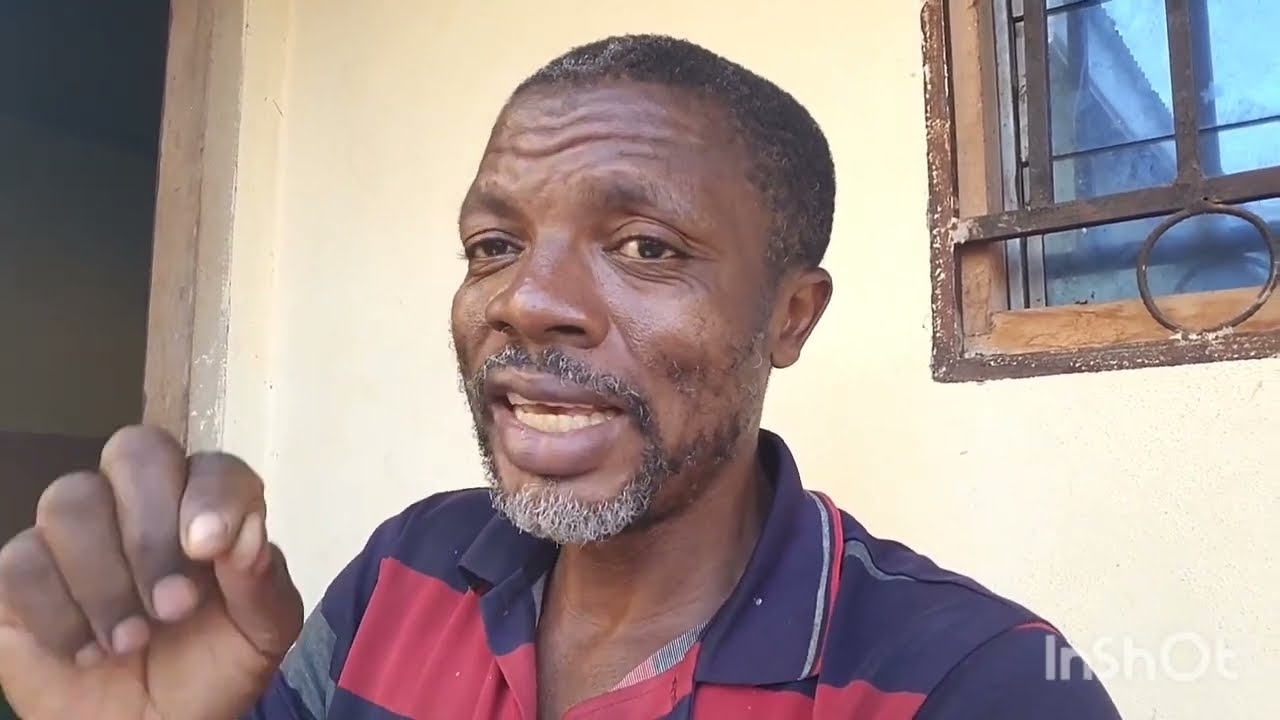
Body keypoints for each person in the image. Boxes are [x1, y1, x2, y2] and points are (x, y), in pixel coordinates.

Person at [0, 34, 1121, 720]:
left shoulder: (973, 686)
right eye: (492, 246)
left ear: (788, 316)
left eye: (645, 248)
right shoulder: (406, 570)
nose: (524, 302)